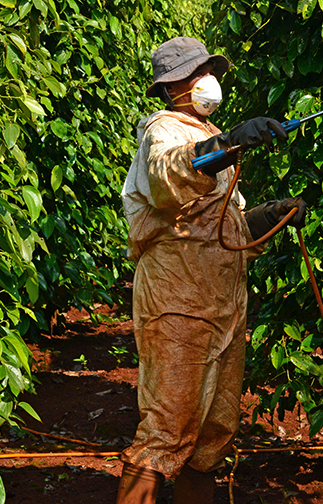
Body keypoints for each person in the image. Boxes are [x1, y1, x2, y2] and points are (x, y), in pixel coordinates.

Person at [118, 37, 306, 504]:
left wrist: (270, 216)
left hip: (222, 305)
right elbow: (168, 178)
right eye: (190, 74)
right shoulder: (163, 130)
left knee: (214, 431)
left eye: (206, 69)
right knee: (169, 421)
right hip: (177, 304)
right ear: (169, 89)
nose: (204, 81)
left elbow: (223, 228)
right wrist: (229, 141)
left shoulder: (210, 136)